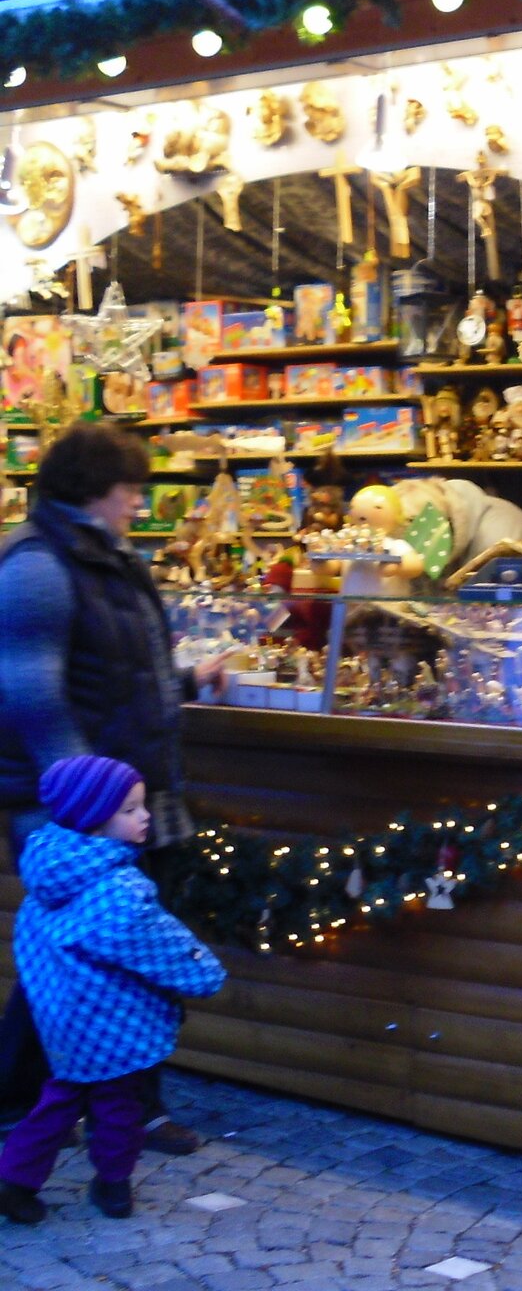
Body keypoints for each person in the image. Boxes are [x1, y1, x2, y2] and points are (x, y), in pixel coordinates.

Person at [0, 424, 225, 1148]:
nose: (139, 501)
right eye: (131, 488)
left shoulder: (110, 558)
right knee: (72, 958)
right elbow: (32, 697)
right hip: (74, 810)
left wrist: (188, 680)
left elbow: (121, 673)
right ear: (94, 489)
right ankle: (24, 1101)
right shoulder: (38, 566)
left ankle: (124, 1106)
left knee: (122, 956)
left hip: (124, 800)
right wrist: (92, 809)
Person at [0, 756, 224, 1223]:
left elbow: (32, 945)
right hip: (115, 1025)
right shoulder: (118, 891)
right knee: (120, 1107)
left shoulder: (48, 874)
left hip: (64, 1022)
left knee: (57, 1103)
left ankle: (14, 1183)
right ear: (93, 818)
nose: (144, 817)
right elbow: (162, 946)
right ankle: (113, 1186)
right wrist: (206, 972)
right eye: (129, 810)